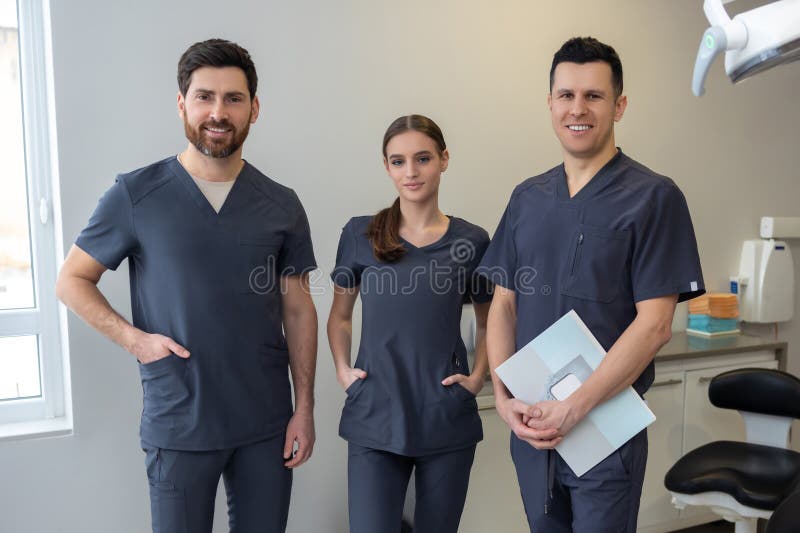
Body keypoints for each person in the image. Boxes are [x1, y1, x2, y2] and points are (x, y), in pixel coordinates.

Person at [55, 38, 318, 533]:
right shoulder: (136, 195)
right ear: (182, 103)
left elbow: (300, 310)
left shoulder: (281, 205)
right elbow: (71, 280)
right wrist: (134, 339)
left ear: (254, 108)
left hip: (265, 423)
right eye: (204, 97)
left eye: (233, 99)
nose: (218, 112)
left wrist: (304, 408)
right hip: (179, 420)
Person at [477, 37, 705, 532]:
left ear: (619, 105)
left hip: (604, 430)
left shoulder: (653, 197)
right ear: (550, 102)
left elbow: (656, 324)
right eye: (566, 95)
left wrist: (574, 408)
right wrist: (502, 395)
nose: (577, 109)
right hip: (535, 431)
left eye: (594, 96)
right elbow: (504, 304)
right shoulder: (528, 198)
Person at [327, 114, 492, 533]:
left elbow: (492, 321)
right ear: (386, 166)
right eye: (398, 161)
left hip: (444, 414)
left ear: (444, 159)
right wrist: (345, 372)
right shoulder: (360, 234)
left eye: (422, 159)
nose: (411, 172)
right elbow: (340, 317)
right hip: (375, 411)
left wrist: (477, 377)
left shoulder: (471, 242)